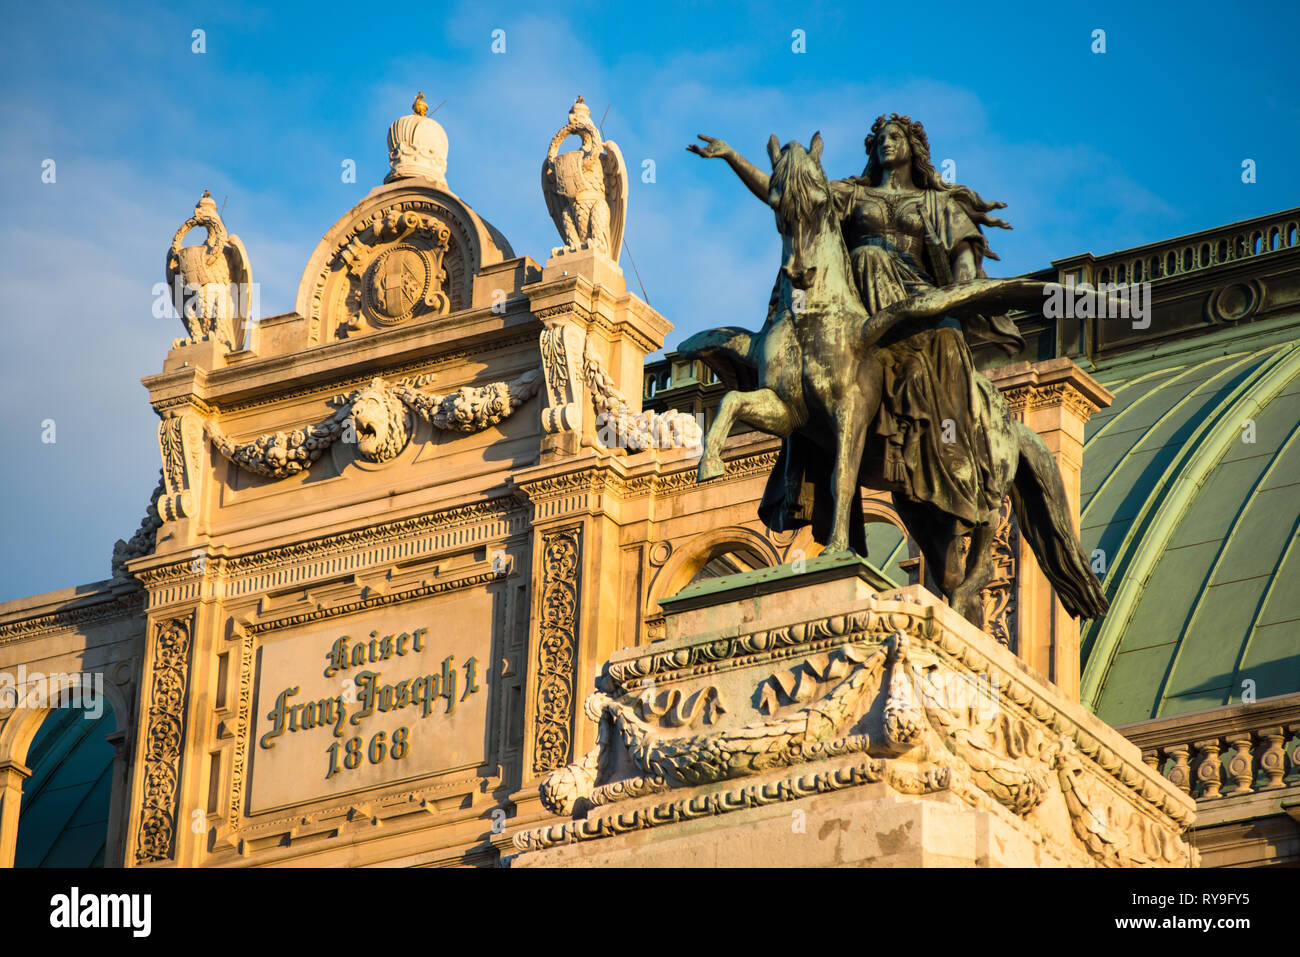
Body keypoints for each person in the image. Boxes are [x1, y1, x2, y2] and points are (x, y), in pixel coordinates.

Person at [688, 113, 1024, 538]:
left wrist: (953, 294)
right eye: (880, 137)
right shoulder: (851, 195)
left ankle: (949, 456)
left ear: (913, 148)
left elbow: (962, 262)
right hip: (852, 302)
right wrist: (733, 158)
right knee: (799, 361)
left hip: (913, 301)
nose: (886, 143)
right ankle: (807, 456)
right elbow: (790, 193)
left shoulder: (938, 204)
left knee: (931, 363)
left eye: (896, 136)